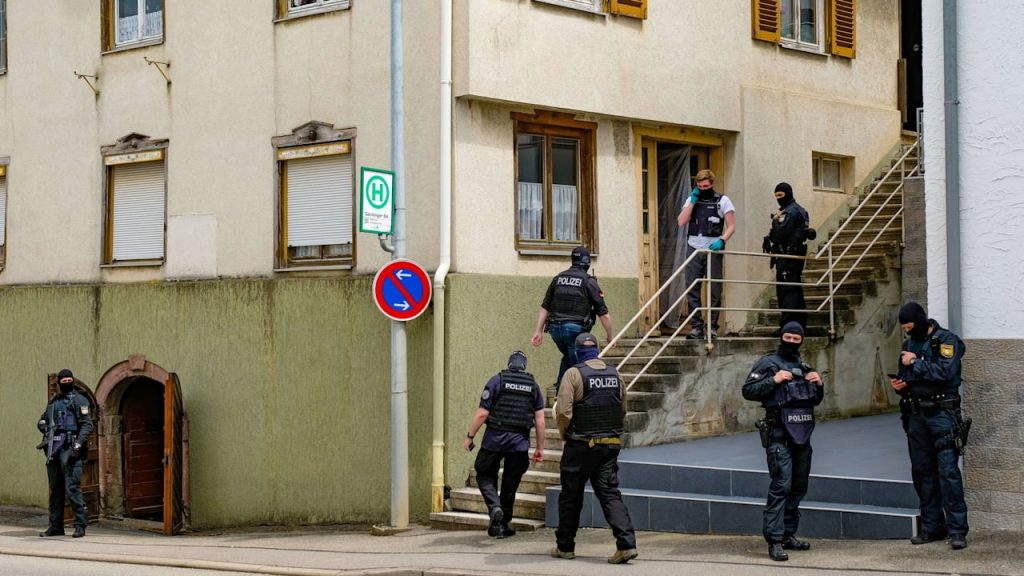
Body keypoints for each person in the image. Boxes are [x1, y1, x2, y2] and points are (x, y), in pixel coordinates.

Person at [551, 333, 637, 564]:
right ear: (597, 350)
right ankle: (626, 544)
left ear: (578, 352)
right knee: (609, 493)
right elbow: (623, 407)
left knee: (571, 495)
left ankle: (565, 546)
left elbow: (563, 412)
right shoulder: (614, 372)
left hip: (580, 444)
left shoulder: (573, 373)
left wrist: (564, 435)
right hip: (609, 445)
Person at [890, 302, 969, 550]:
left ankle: (957, 531)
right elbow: (909, 375)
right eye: (904, 328)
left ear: (922, 321)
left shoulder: (946, 341)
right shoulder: (909, 344)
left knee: (948, 473)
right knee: (922, 472)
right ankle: (932, 527)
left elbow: (946, 373)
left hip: (942, 414)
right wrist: (901, 386)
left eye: (911, 326)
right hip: (916, 414)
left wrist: (915, 363)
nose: (907, 332)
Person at [742, 322, 824, 561]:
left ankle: (788, 534)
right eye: (787, 337)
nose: (791, 341)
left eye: (796, 338)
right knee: (781, 486)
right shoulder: (768, 363)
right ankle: (775, 540)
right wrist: (774, 380)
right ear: (781, 337)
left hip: (802, 434)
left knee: (799, 486)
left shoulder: (803, 365)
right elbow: (748, 390)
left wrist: (818, 384)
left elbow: (814, 400)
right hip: (778, 434)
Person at [463, 351, 545, 538]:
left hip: (494, 441)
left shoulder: (497, 380)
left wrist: (470, 437)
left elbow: (482, 414)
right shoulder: (533, 386)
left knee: (483, 472)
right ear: (524, 366)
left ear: (509, 364)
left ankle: (495, 508)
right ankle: (502, 523)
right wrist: (539, 448)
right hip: (519, 444)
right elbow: (540, 420)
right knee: (510, 483)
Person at [532, 246, 614, 389]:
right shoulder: (589, 281)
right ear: (587, 262)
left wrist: (538, 331)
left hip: (555, 330)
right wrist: (610, 336)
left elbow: (545, 306)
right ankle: (578, 398)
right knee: (583, 365)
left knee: (569, 358)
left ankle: (560, 393)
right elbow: (604, 314)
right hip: (575, 331)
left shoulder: (558, 278)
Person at [676, 169, 736, 339]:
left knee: (715, 288)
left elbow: (731, 226)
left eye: (706, 186)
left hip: (713, 248)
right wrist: (693, 201)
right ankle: (696, 326)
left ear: (712, 184)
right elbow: (681, 221)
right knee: (692, 287)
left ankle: (712, 326)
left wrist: (722, 240)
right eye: (700, 186)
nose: (703, 189)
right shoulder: (691, 199)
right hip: (694, 247)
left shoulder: (723, 200)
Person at [37, 368, 93, 538]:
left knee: (72, 488)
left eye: (69, 381)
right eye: (64, 381)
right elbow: (42, 420)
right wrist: (43, 425)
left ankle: (80, 526)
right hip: (54, 449)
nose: (67, 384)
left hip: (70, 449)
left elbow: (87, 425)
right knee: (55, 488)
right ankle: (55, 526)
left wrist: (77, 446)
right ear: (59, 383)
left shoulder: (80, 400)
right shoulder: (53, 402)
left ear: (73, 381)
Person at [763, 182, 815, 329]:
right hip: (790, 255)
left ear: (788, 193)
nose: (778, 199)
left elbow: (781, 232)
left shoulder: (790, 212)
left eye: (780, 195)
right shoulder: (797, 210)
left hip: (788, 256)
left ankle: (788, 326)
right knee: (793, 290)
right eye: (776, 196)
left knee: (787, 292)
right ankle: (798, 325)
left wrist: (775, 220)